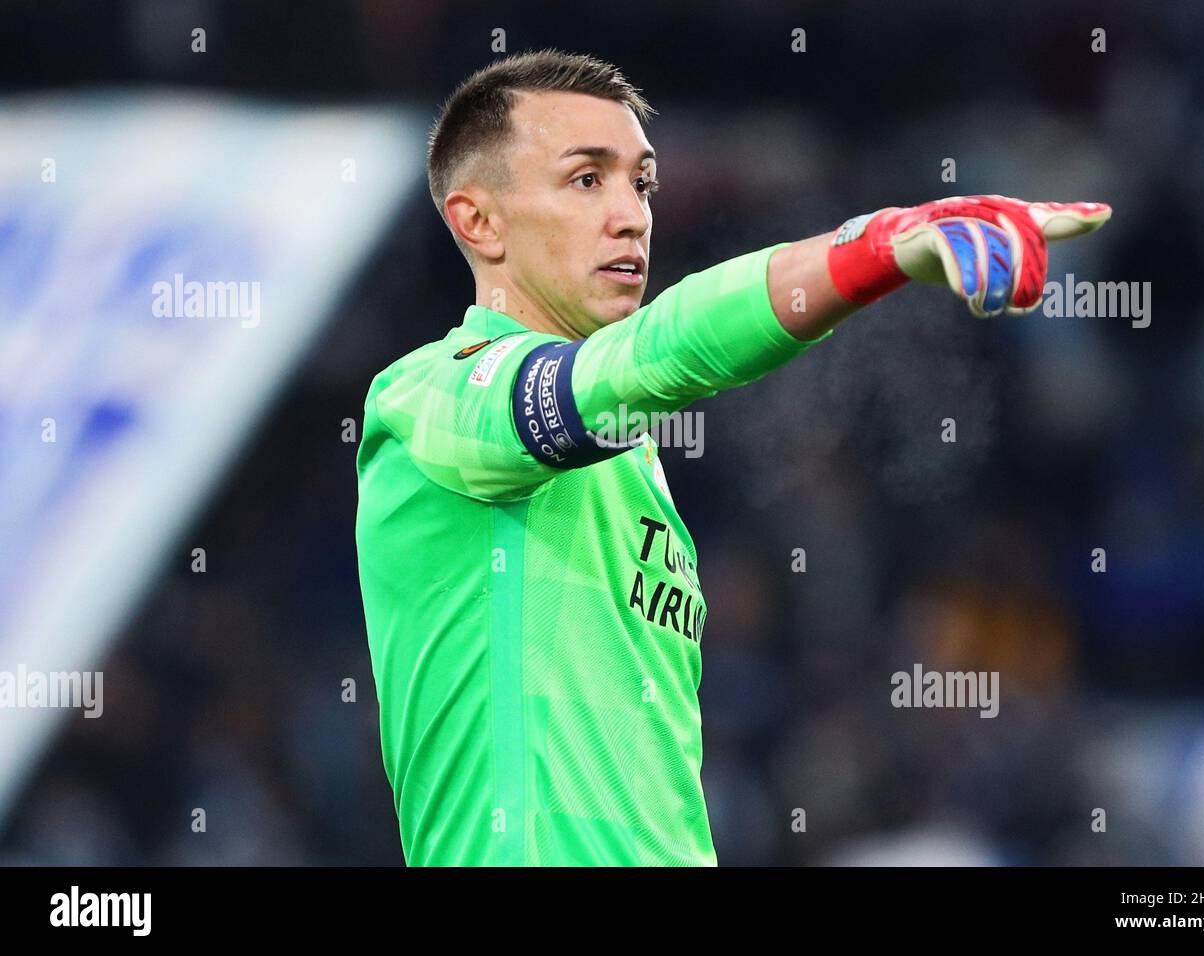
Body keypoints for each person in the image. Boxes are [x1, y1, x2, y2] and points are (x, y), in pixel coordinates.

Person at [355, 48, 1110, 866]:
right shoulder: (429, 397)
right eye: (586, 179)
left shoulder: (627, 459)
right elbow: (659, 353)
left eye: (640, 183)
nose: (631, 214)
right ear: (479, 220)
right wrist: (874, 250)